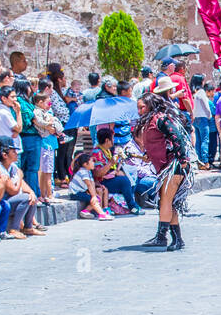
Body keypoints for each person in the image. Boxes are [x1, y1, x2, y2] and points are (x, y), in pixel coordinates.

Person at [134, 76, 193, 249]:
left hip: (174, 165)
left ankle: (162, 237)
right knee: (168, 202)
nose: (139, 111)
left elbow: (177, 137)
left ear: (150, 105)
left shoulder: (161, 119)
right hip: (165, 167)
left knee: (165, 201)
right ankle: (177, 239)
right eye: (138, 108)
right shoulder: (151, 121)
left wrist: (182, 159)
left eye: (142, 107)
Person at [91, 127, 141, 214]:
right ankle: (132, 206)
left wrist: (117, 168)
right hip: (101, 182)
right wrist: (111, 163)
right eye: (112, 138)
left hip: (109, 178)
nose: (113, 140)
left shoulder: (108, 151)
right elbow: (98, 174)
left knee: (132, 177)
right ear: (107, 140)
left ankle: (130, 204)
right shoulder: (97, 152)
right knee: (124, 181)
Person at [67, 151, 112, 219]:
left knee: (97, 198)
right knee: (94, 199)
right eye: (92, 161)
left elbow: (92, 183)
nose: (94, 163)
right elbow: (89, 185)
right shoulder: (83, 171)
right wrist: (93, 196)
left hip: (80, 192)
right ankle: (101, 214)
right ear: (85, 164)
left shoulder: (88, 171)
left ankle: (86, 211)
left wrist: (94, 194)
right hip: (75, 193)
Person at [191, 75, 213, 169]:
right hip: (203, 118)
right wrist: (209, 115)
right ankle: (205, 161)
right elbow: (206, 106)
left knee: (198, 141)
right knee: (205, 140)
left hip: (196, 118)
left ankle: (199, 161)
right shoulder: (202, 92)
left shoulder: (194, 93)